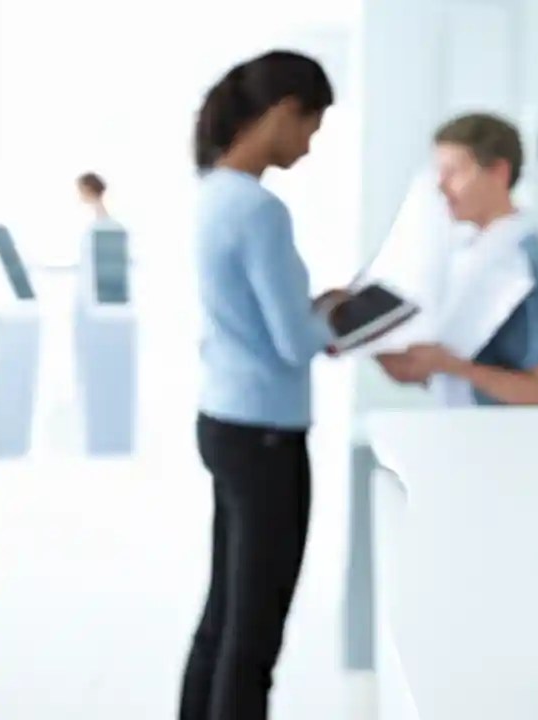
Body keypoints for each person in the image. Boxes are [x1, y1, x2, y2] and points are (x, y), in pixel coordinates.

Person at [180, 50, 348, 720]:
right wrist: (335, 315)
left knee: (222, 617)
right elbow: (293, 342)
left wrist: (315, 309)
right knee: (255, 635)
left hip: (224, 421)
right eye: (310, 126)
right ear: (282, 113)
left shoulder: (212, 191)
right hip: (268, 438)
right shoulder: (260, 210)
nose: (309, 144)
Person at [375, 113, 538, 406]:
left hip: (510, 446)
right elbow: (473, 368)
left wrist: (450, 365)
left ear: (498, 172)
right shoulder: (467, 257)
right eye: (438, 174)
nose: (440, 188)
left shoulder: (532, 271)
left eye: (453, 173)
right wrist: (415, 365)